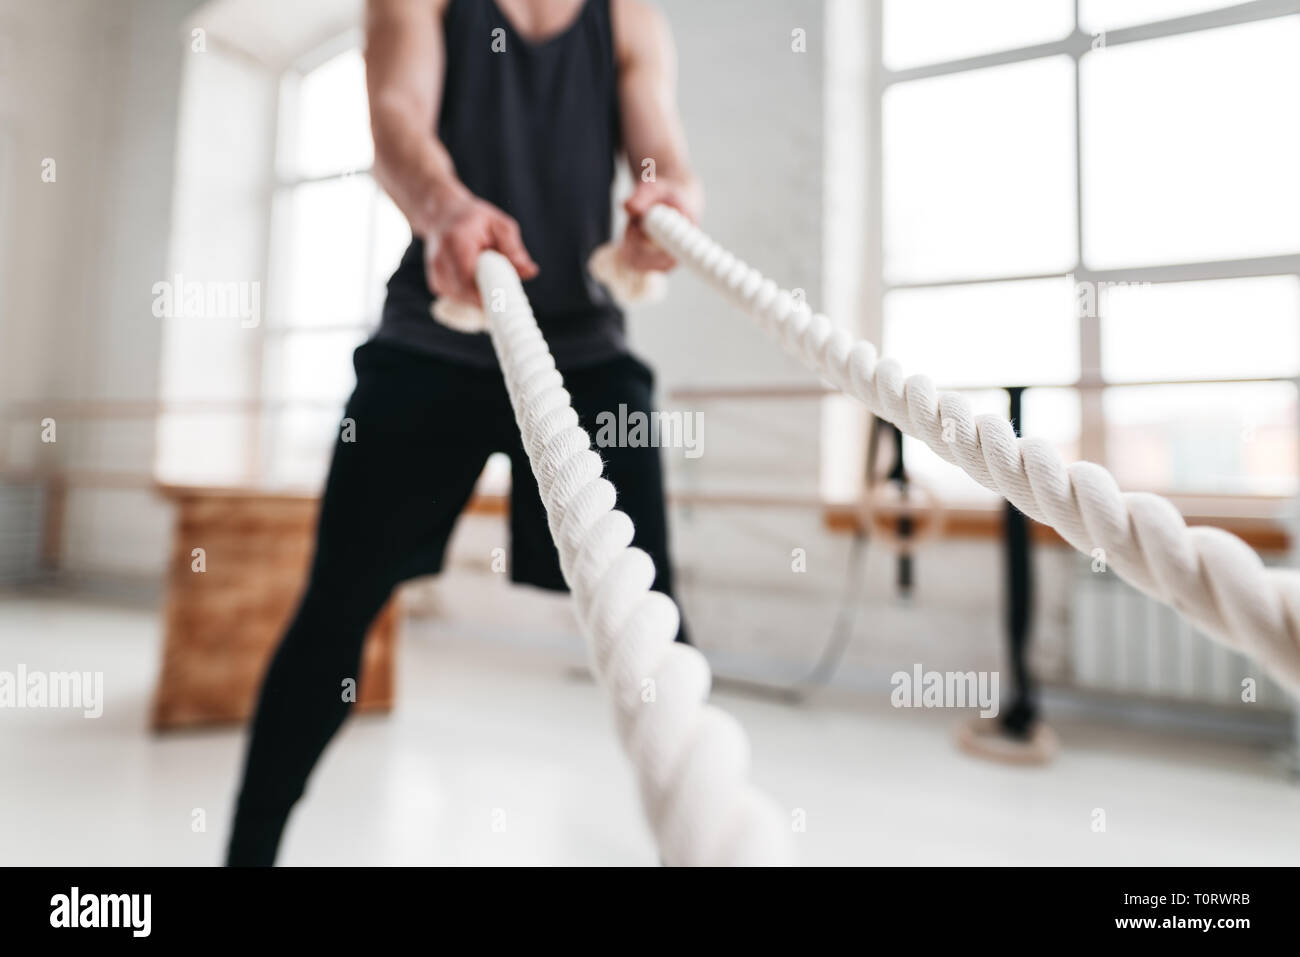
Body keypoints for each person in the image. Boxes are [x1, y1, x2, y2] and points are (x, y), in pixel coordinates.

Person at [225, 0, 702, 866]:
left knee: (657, 631)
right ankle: (246, 854)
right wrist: (446, 207)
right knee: (334, 615)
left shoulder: (628, 13)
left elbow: (653, 139)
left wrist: (667, 192)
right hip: (432, 331)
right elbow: (398, 116)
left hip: (583, 350)